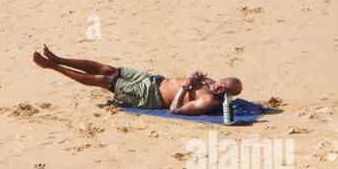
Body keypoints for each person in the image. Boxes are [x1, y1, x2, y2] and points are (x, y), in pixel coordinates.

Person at [33, 45, 243, 116]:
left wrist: (186, 87)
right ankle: (58, 59)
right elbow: (193, 79)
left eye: (223, 87)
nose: (218, 84)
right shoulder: (211, 83)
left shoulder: (208, 101)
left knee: (104, 80)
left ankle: (53, 67)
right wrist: (195, 76)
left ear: (226, 95)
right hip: (153, 80)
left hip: (151, 96)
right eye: (222, 80)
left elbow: (175, 111)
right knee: (109, 69)